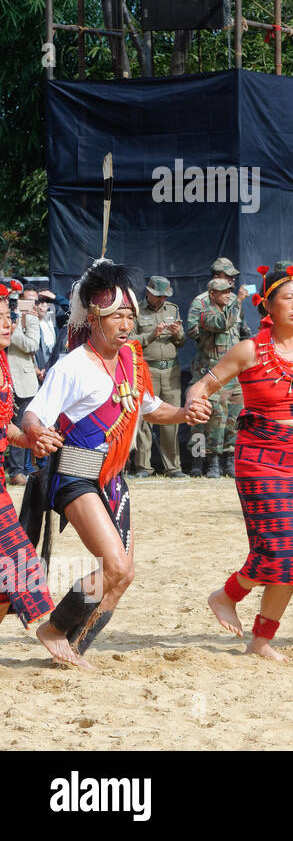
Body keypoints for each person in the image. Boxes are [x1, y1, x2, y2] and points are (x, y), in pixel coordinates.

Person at [23, 260, 198, 665]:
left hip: (114, 480)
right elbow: (34, 415)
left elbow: (150, 409)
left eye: (130, 315)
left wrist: (184, 414)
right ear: (94, 317)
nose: (125, 324)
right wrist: (36, 432)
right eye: (116, 315)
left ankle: (71, 648)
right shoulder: (72, 366)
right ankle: (52, 628)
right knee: (114, 564)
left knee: (123, 575)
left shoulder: (133, 362)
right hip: (77, 475)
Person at [190, 265, 293, 661]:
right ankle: (227, 596)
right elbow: (202, 384)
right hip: (259, 458)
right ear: (267, 305)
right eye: (287, 297)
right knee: (277, 547)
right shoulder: (248, 349)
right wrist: (194, 400)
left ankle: (260, 638)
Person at [0, 281, 82, 667]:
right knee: (16, 561)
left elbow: (5, 429)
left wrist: (31, 441)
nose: (6, 322)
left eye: (8, 314)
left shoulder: (3, 364)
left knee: (11, 571)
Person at [187, 277, 246, 478]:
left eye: (230, 291)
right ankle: (212, 461)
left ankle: (230, 459)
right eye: (223, 291)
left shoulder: (233, 312)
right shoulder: (207, 314)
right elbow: (222, 324)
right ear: (212, 294)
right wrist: (238, 301)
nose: (228, 294)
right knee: (215, 420)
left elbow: (242, 333)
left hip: (235, 376)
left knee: (234, 418)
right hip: (215, 374)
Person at [130, 276, 186, 478]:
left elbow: (182, 341)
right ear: (149, 292)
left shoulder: (172, 309)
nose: (162, 299)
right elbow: (128, 340)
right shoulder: (136, 310)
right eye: (158, 296)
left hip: (171, 371)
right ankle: (143, 467)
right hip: (147, 370)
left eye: (164, 296)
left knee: (172, 417)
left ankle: (173, 467)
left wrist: (178, 334)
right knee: (145, 419)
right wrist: (151, 334)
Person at [5, 285, 41, 485]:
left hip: (23, 381)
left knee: (19, 427)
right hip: (4, 377)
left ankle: (17, 472)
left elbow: (32, 345)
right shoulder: (5, 315)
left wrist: (14, 330)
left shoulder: (31, 318)